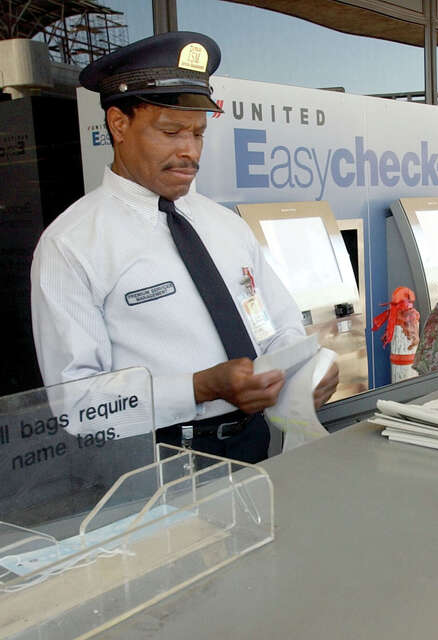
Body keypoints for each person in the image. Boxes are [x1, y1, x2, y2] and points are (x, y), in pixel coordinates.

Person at [30, 32, 338, 463]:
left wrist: (313, 367)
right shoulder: (72, 244)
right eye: (171, 131)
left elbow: (275, 327)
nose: (189, 151)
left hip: (257, 442)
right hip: (159, 459)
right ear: (119, 124)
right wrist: (199, 387)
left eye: (198, 133)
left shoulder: (224, 226)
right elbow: (78, 405)